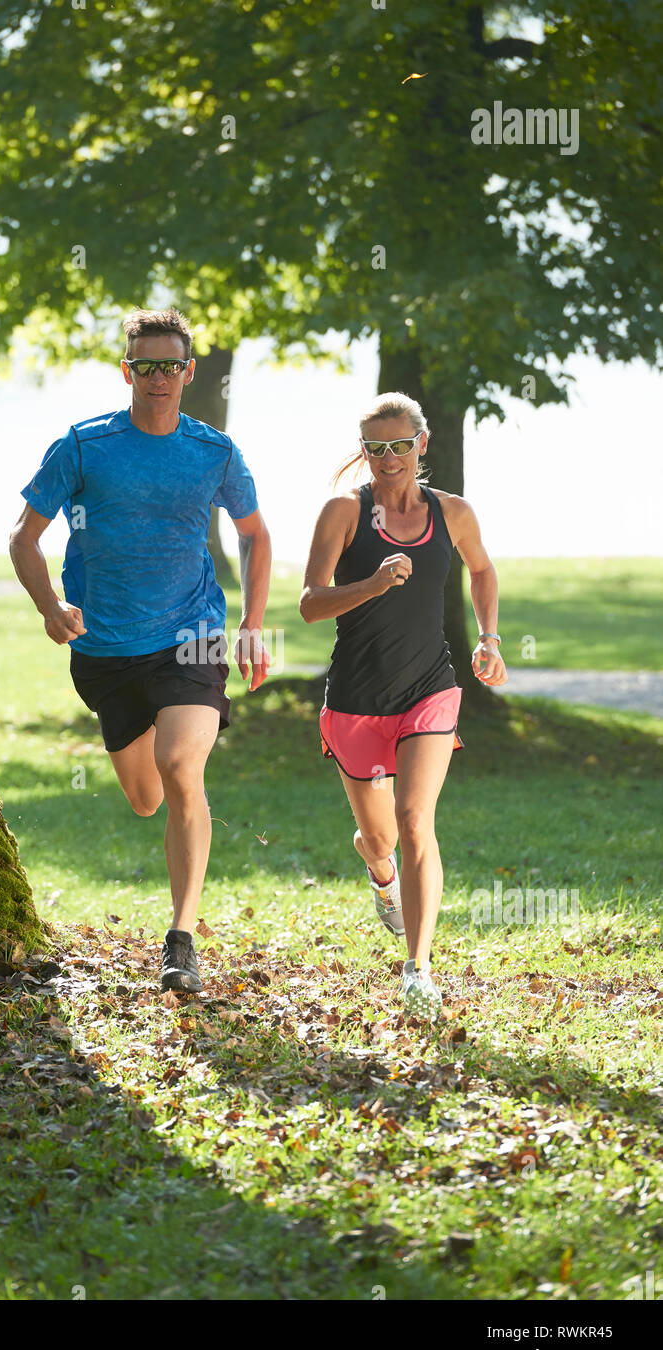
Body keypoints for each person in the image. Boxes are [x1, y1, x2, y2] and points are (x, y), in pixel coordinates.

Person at [10, 307, 272, 994]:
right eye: (146, 365)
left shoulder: (214, 451)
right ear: (127, 371)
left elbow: (253, 533)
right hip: (105, 649)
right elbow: (23, 537)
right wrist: (50, 607)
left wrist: (250, 622)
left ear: (189, 372)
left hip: (191, 636)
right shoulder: (83, 446)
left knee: (181, 765)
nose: (159, 377)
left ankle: (180, 940)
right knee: (145, 798)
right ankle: (161, 770)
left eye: (171, 366)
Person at [300, 392, 506, 1020]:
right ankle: (380, 872)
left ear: (422, 444)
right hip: (357, 699)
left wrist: (489, 639)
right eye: (375, 448)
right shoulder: (343, 512)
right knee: (380, 837)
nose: (388, 458)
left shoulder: (453, 512)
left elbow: (482, 571)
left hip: (429, 689)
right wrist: (371, 584)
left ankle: (418, 968)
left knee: (416, 820)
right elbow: (310, 603)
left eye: (399, 445)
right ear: (364, 451)